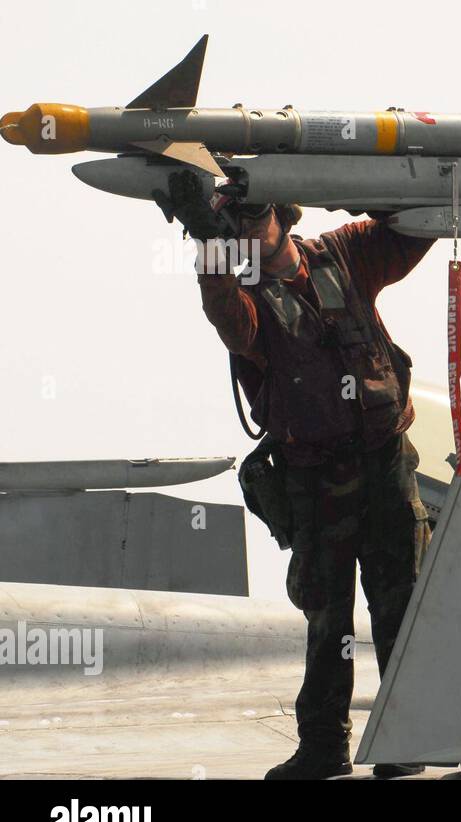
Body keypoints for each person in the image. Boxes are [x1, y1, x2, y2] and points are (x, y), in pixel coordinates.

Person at [154, 173, 435, 779]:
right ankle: (324, 745)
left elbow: (414, 228)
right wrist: (208, 245)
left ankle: (408, 736)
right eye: (236, 224)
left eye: (255, 215)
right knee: (327, 613)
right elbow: (230, 322)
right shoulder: (243, 293)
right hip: (314, 474)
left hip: (385, 461)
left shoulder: (345, 254)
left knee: (401, 602)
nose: (249, 229)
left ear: (283, 210)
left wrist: (350, 178)